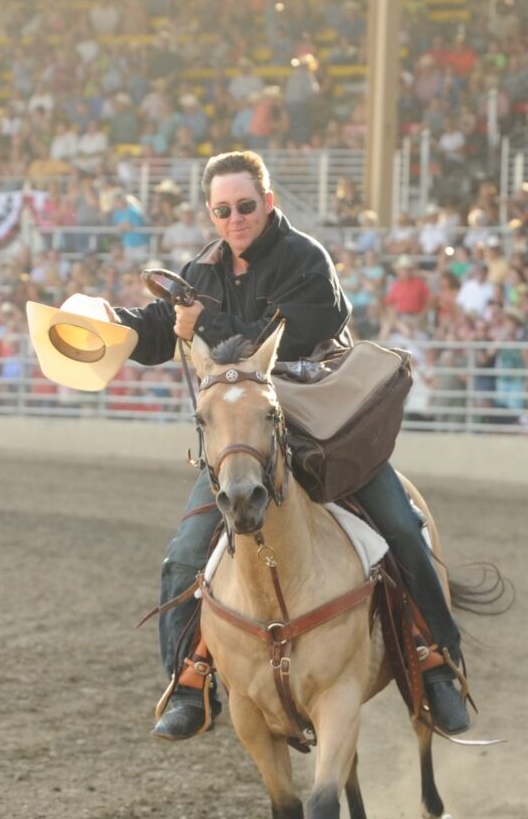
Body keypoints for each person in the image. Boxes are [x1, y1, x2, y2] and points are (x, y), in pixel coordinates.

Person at [109, 151, 473, 741]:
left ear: (268, 202)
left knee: (404, 530)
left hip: (327, 434)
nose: (236, 219)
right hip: (247, 442)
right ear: (211, 213)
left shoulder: (306, 258)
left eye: (246, 206)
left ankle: (438, 665)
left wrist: (200, 328)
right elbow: (160, 326)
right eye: (223, 210)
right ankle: (190, 680)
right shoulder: (203, 269)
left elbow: (292, 334)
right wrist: (114, 325)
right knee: (182, 556)